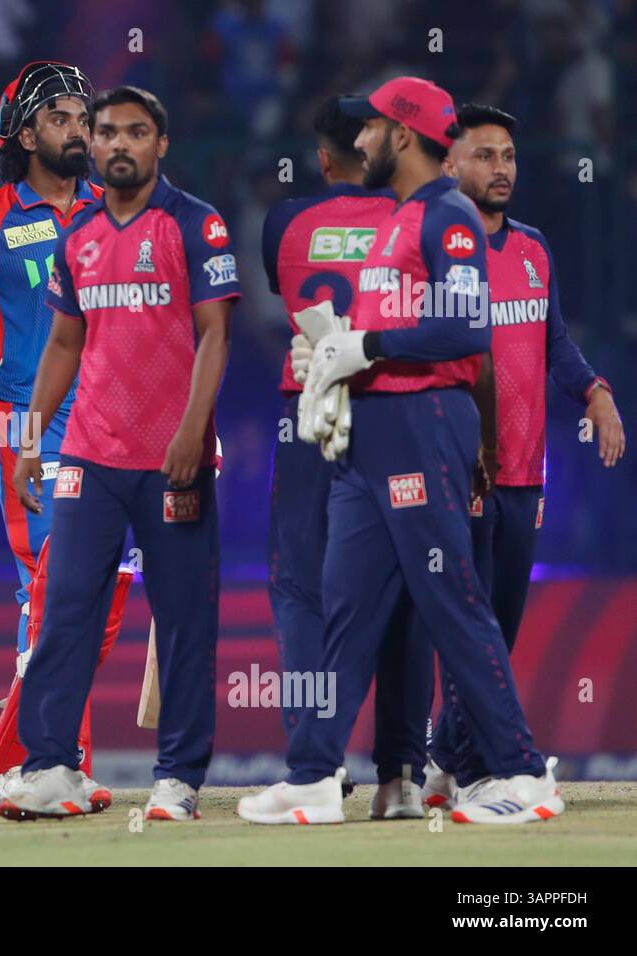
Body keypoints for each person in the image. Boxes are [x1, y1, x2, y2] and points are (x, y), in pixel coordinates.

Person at [238, 77, 564, 826]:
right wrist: (333, 352)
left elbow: (466, 332)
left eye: (372, 129)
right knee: (347, 608)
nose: (359, 143)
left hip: (423, 422)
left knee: (451, 598)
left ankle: (521, 770)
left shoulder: (448, 217)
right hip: (373, 434)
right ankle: (316, 776)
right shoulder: (404, 217)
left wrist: (365, 345)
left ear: (404, 134)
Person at [0, 86, 239, 822]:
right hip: (90, 455)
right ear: (94, 147)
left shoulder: (197, 225)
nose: (119, 145)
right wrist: (32, 438)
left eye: (137, 132)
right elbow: (65, 343)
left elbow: (215, 335)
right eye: (107, 133)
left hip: (174, 456)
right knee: (65, 607)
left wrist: (193, 434)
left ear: (161, 144)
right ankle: (49, 768)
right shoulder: (78, 239)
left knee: (183, 616)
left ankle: (178, 778)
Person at [0, 61, 126, 800]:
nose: (79, 130)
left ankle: (15, 751)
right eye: (61, 118)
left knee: (91, 589)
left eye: (84, 117)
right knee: (58, 587)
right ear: (21, 134)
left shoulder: (116, 211)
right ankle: (52, 759)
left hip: (112, 419)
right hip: (25, 425)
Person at [421, 103, 624, 805]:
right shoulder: (430, 250)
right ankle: (486, 768)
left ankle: (444, 755)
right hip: (455, 473)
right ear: (449, 165)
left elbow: (554, 344)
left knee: (498, 628)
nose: (500, 168)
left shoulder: (533, 249)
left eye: (508, 155)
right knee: (469, 624)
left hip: (523, 472)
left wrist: (595, 393)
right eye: (484, 155)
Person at [262, 96, 430, 819]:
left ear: (324, 158)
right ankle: (401, 776)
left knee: (302, 590)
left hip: (310, 417)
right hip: (397, 416)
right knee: (403, 597)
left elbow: (286, 292)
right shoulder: (417, 219)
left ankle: (313, 766)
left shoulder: (285, 222)